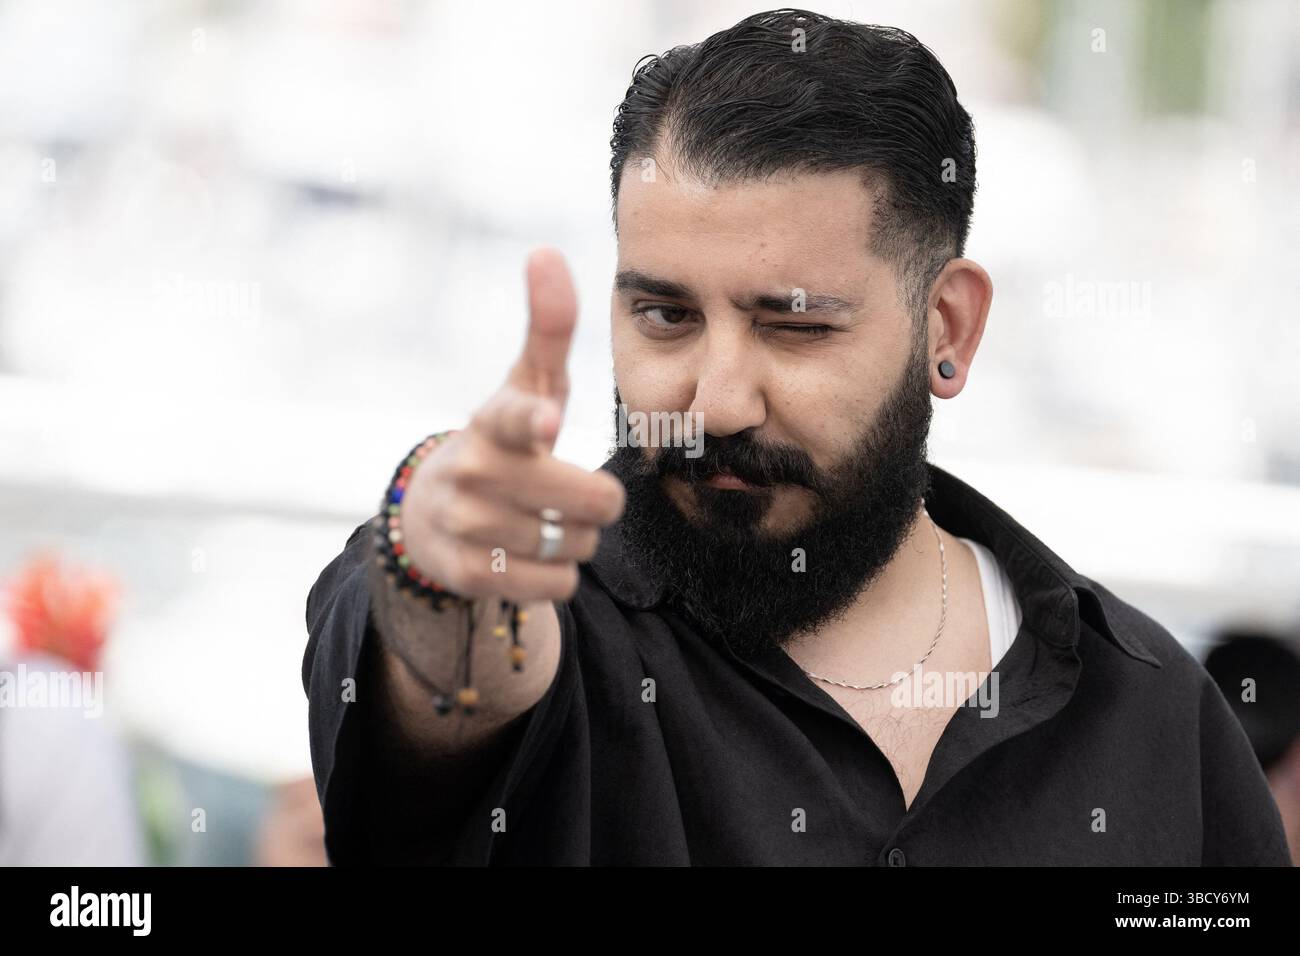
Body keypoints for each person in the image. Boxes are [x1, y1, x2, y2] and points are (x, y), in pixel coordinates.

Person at [302, 10, 1290, 865]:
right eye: (664, 316)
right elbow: (442, 679)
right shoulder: (546, 618)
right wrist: (433, 564)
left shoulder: (1151, 713)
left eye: (795, 324)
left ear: (947, 328)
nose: (719, 399)